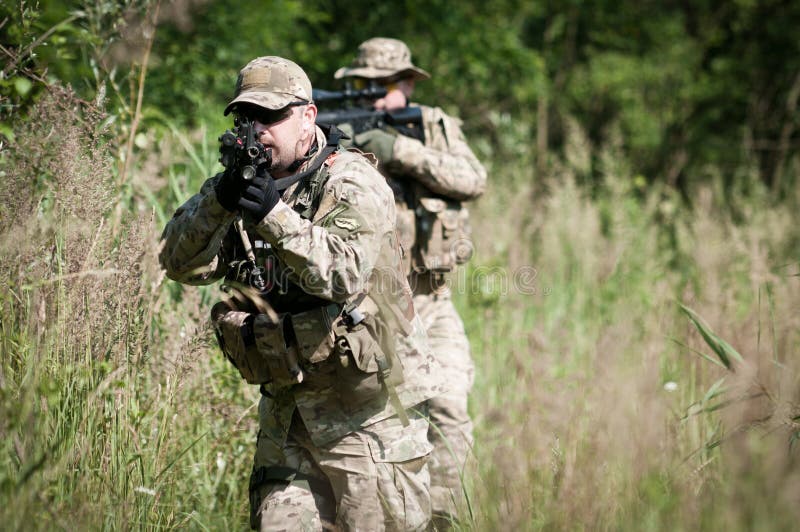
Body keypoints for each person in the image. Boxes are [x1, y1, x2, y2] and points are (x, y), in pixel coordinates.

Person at [159, 55, 444, 531]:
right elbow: (177, 261)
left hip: (369, 421)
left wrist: (273, 215)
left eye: (271, 116)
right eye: (246, 118)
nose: (258, 130)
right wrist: (221, 200)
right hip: (289, 420)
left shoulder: (351, 180)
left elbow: (343, 274)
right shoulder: (242, 186)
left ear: (308, 117)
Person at [334, 38, 487, 525]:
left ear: (407, 84)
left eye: (385, 87)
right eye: (364, 86)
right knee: (367, 428)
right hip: (369, 307)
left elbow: (472, 179)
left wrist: (400, 151)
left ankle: (444, 518)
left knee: (449, 410)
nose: (374, 97)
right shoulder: (336, 131)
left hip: (432, 299)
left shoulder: (432, 127)